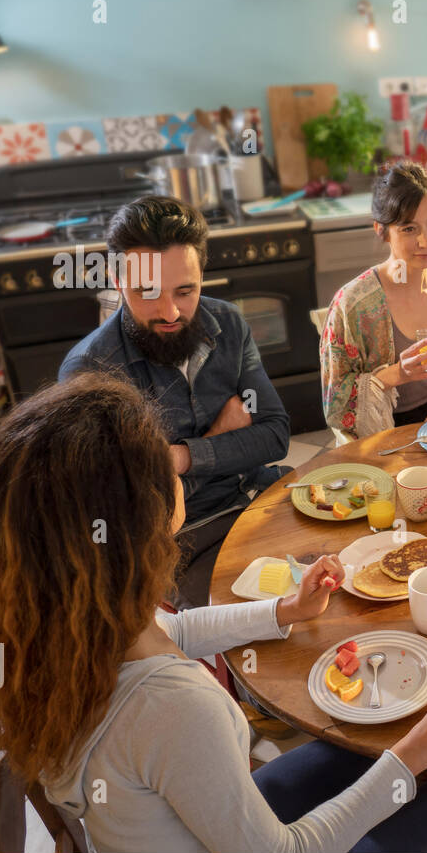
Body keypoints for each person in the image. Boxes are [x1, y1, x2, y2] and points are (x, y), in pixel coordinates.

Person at [0, 373, 427, 853]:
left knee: (382, 750)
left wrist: (285, 608)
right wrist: (415, 753)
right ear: (139, 518)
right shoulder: (175, 707)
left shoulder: (71, 634)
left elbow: (179, 630)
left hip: (198, 825)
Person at [59, 195, 289, 607]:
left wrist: (179, 459)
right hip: (180, 544)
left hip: (258, 497)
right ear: (117, 282)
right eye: (147, 292)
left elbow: (275, 436)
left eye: (186, 291)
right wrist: (223, 441)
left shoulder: (229, 324)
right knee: (251, 629)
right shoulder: (89, 372)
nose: (169, 312)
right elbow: (135, 512)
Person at [320, 161, 427, 439]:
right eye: (409, 229)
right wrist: (398, 373)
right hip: (379, 434)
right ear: (381, 230)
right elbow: (335, 402)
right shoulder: (352, 304)